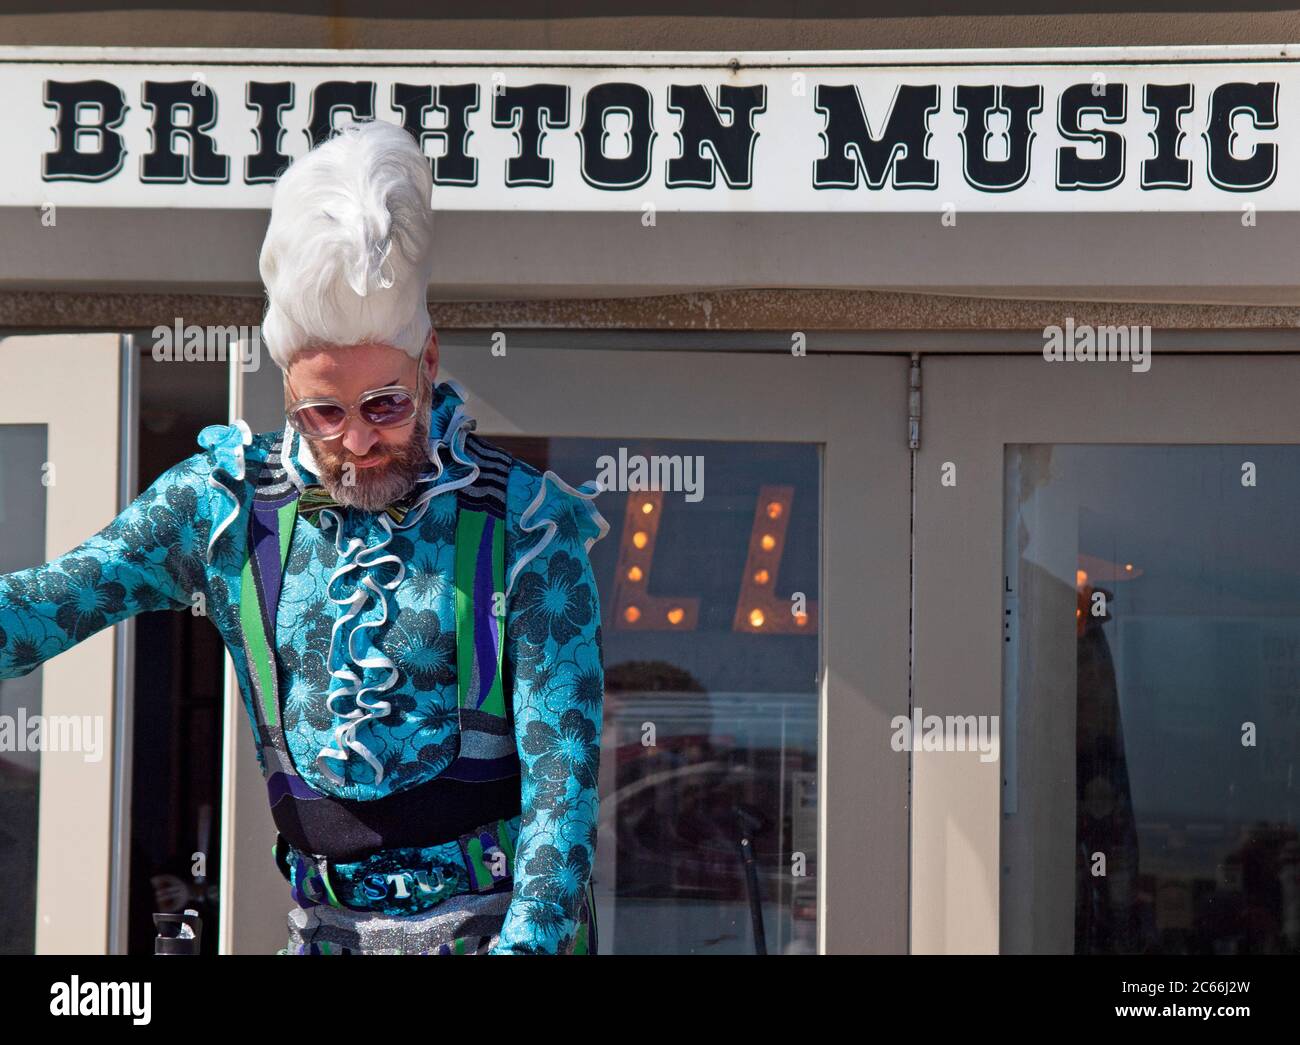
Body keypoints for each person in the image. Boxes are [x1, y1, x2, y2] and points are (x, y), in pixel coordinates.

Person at [0, 119, 608, 955]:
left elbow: (562, 797)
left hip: (492, 930)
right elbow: (39, 610)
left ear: (428, 360)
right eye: (323, 412)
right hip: (320, 932)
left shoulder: (525, 526)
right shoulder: (221, 509)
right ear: (286, 390)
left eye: (386, 404)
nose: (358, 440)